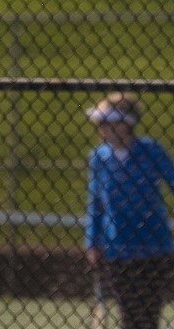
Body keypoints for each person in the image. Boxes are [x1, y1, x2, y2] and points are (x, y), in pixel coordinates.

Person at [84, 92, 174, 329]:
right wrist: (92, 241)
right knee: (129, 314)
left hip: (154, 245)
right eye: (100, 123)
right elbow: (96, 203)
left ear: (126, 124)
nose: (102, 128)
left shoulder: (151, 151)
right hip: (117, 248)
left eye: (108, 122)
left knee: (149, 313)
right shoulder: (99, 157)